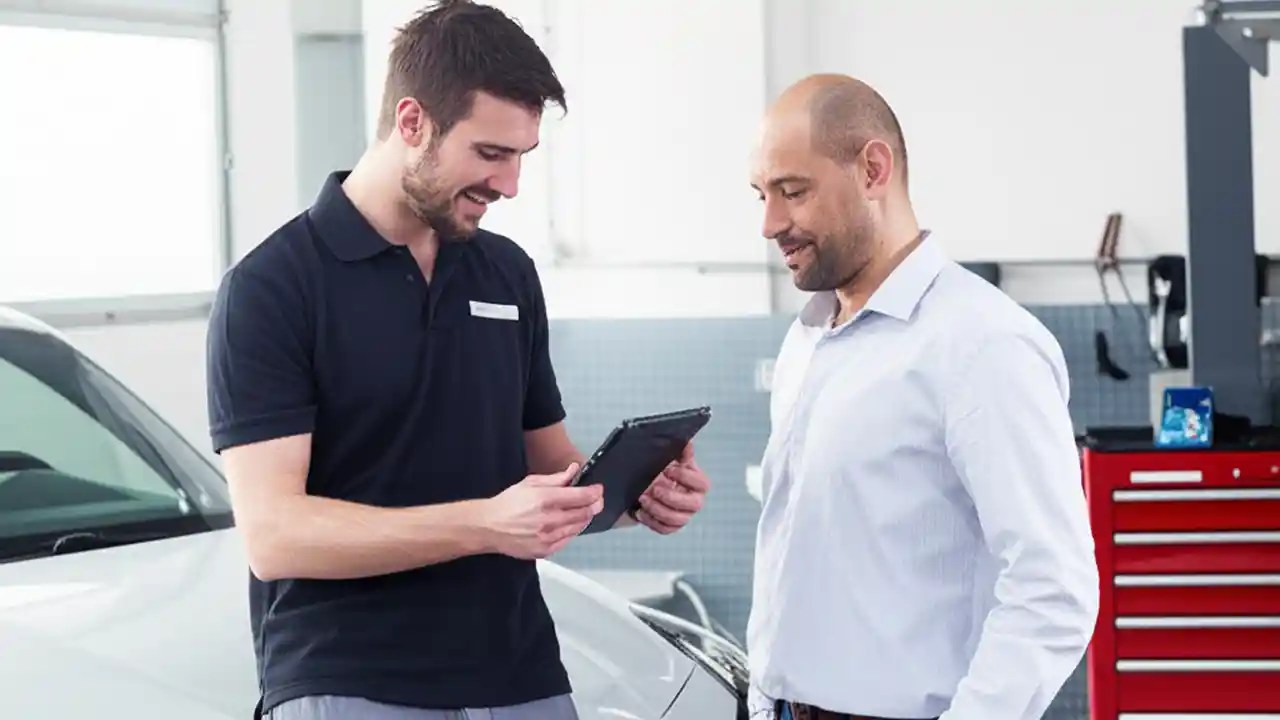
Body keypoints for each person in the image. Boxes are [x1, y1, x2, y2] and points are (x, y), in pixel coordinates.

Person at [205, 2, 711, 718]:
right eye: (490, 153)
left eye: (521, 157)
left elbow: (550, 468)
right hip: (350, 679)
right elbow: (275, 535)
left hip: (520, 674)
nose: (510, 185)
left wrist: (635, 496)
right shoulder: (272, 288)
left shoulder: (506, 274)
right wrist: (485, 524)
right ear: (413, 123)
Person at [745, 74, 1099, 720]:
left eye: (793, 192)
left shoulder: (983, 345)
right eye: (761, 195)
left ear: (873, 170)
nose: (770, 224)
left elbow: (1053, 590)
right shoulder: (808, 340)